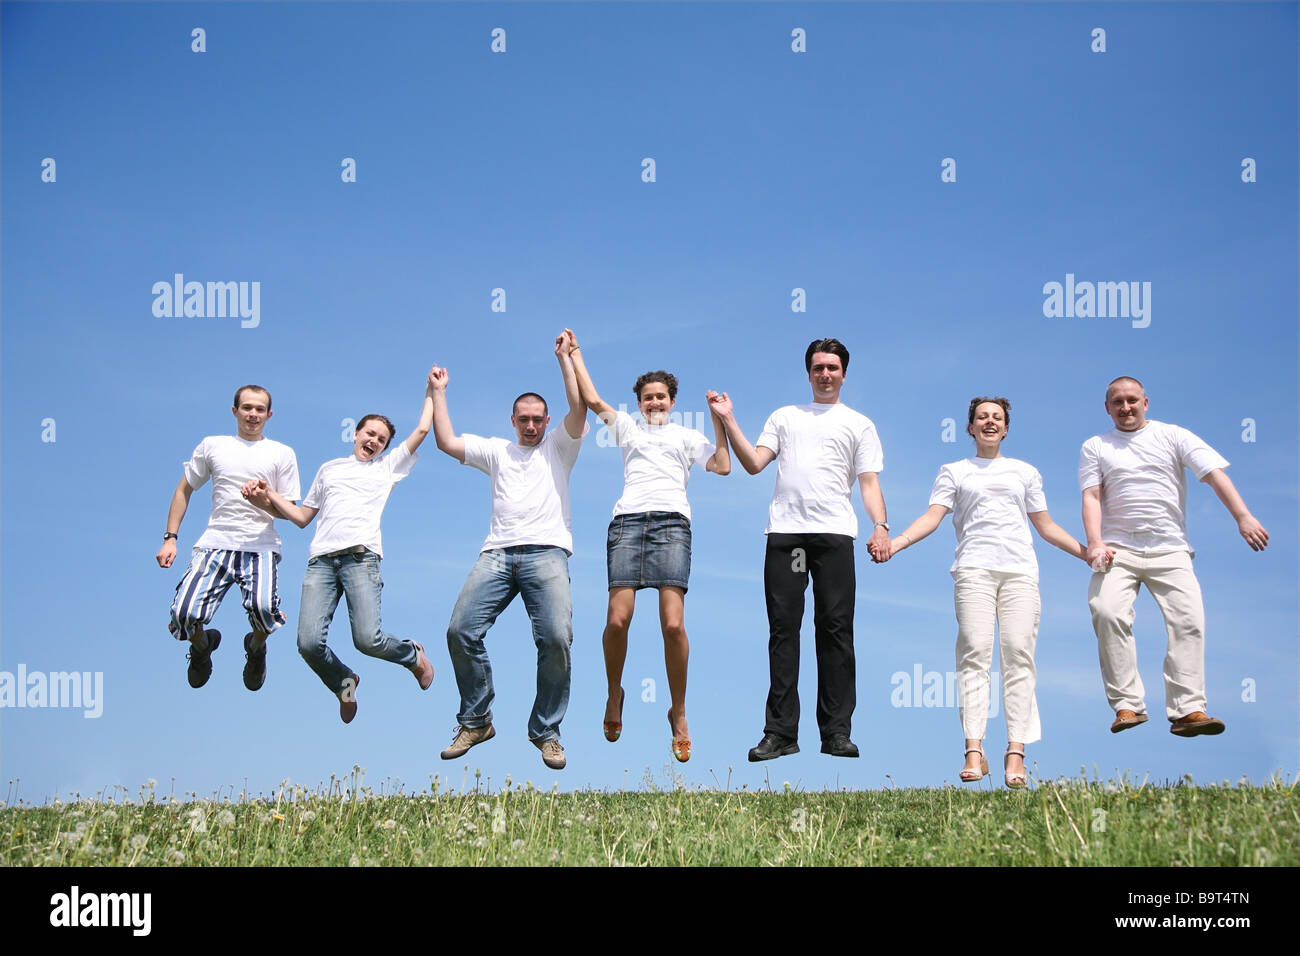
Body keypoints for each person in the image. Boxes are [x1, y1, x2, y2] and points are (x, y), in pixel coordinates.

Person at [888, 397, 1091, 788]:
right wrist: (897, 543)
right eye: (982, 417)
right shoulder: (955, 470)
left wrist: (1085, 552)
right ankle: (974, 750)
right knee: (975, 654)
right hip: (973, 571)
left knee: (1018, 654)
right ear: (970, 428)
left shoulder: (1025, 472)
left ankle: (1016, 752)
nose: (990, 422)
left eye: (997, 417)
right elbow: (933, 516)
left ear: (1007, 428)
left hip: (1019, 573)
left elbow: (1045, 526)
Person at [710, 338, 890, 762]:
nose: (824, 374)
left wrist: (880, 526)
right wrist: (729, 419)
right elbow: (754, 463)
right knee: (783, 632)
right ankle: (780, 733)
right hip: (787, 536)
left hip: (833, 537)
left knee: (835, 631)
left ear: (844, 373)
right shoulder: (785, 416)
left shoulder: (859, 424)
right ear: (808, 373)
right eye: (817, 368)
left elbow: (869, 483)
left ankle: (836, 733)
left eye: (831, 367)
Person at [561, 328, 731, 763]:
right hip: (628, 525)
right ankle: (615, 693)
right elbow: (594, 399)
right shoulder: (629, 431)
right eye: (647, 397)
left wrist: (718, 418)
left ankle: (678, 712)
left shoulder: (687, 437)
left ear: (672, 402)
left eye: (661, 397)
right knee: (618, 621)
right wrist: (576, 353)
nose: (654, 403)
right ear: (639, 403)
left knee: (673, 626)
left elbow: (724, 465)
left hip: (673, 525)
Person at [239, 369, 439, 723]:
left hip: (361, 561)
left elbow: (422, 430)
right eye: (370, 433)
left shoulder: (386, 469)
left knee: (368, 640)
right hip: (321, 564)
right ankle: (344, 681)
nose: (375, 441)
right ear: (356, 433)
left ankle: (412, 655)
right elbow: (301, 517)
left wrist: (431, 390)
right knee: (308, 644)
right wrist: (266, 496)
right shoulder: (329, 469)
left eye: (382, 439)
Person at [1080, 376, 1268, 737]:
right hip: (1119, 548)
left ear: (1145, 402)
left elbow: (1214, 475)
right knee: (1106, 610)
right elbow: (1091, 495)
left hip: (1171, 548)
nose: (1126, 407)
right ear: (1108, 408)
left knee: (1189, 620)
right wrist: (1095, 543)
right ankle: (1127, 705)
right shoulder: (1096, 446)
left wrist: (1243, 517)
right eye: (1117, 402)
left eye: (1132, 400)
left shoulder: (1174, 435)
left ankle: (1188, 710)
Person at [431, 336, 587, 770]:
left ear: (547, 420)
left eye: (538, 419)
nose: (532, 427)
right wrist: (439, 392)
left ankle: (546, 731)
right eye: (524, 420)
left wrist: (565, 359)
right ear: (513, 421)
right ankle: (476, 719)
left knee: (556, 638)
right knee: (460, 630)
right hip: (497, 555)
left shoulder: (560, 446)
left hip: (548, 554)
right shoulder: (498, 451)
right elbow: (445, 441)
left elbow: (579, 409)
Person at [156, 385, 301, 691]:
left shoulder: (282, 453)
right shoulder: (213, 446)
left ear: (269, 415)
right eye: (247, 408)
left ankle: (256, 648)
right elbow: (184, 489)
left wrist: (264, 499)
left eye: (260, 409)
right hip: (215, 544)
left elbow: (291, 513)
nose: (253, 414)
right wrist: (171, 538)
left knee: (265, 612)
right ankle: (201, 647)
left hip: (259, 546)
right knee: (183, 615)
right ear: (234, 411)